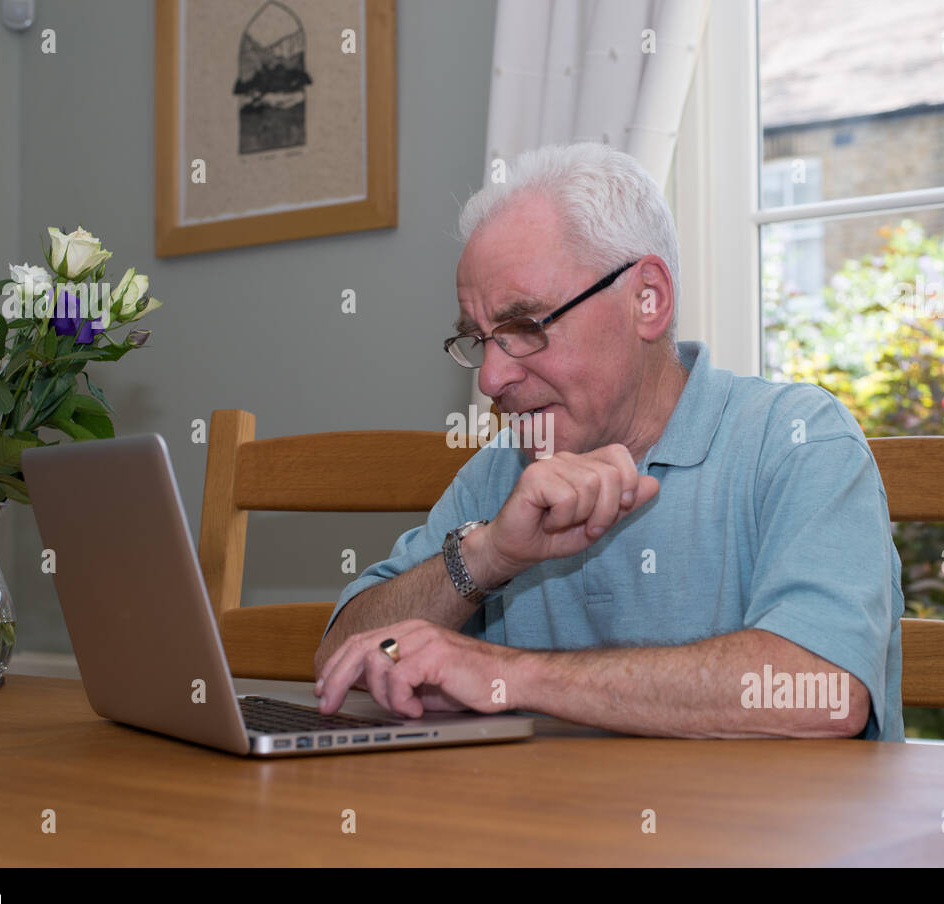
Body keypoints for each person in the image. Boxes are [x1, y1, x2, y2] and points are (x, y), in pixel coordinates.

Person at [313, 142, 904, 740]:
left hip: (758, 832)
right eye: (479, 338)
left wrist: (506, 674)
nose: (490, 378)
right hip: (556, 827)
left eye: (523, 326)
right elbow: (346, 659)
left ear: (648, 299)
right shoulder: (507, 465)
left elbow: (823, 692)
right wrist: (489, 557)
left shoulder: (797, 439)